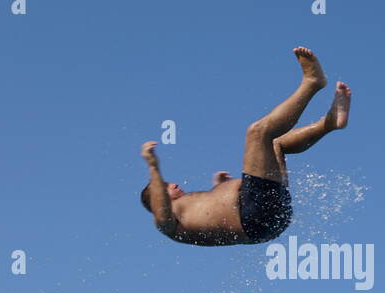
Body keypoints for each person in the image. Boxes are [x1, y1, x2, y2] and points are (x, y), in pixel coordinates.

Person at [140, 46, 351, 246]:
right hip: (255, 217)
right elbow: (162, 211)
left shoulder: (190, 208)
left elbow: (215, 216)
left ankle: (328, 123)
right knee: (257, 132)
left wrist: (222, 187)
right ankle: (312, 83)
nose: (173, 184)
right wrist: (153, 167)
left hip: (271, 216)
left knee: (275, 144)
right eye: (165, 187)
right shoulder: (168, 223)